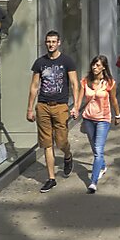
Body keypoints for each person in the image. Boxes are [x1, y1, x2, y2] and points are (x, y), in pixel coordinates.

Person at [26, 30, 80, 193]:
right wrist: (30, 108)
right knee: (46, 143)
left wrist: (76, 106)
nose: (50, 44)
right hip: (43, 105)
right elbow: (34, 86)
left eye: (53, 41)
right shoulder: (40, 63)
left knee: (61, 141)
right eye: (48, 41)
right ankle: (51, 178)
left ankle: (67, 155)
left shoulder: (67, 61)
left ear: (59, 43)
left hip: (60, 106)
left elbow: (74, 84)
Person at [78, 55, 119, 194]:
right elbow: (79, 98)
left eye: (98, 65)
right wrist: (75, 109)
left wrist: (117, 115)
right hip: (88, 118)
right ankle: (102, 166)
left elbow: (113, 100)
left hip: (103, 118)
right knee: (94, 148)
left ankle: (93, 182)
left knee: (98, 149)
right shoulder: (86, 81)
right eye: (93, 65)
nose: (95, 68)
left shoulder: (109, 83)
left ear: (104, 67)